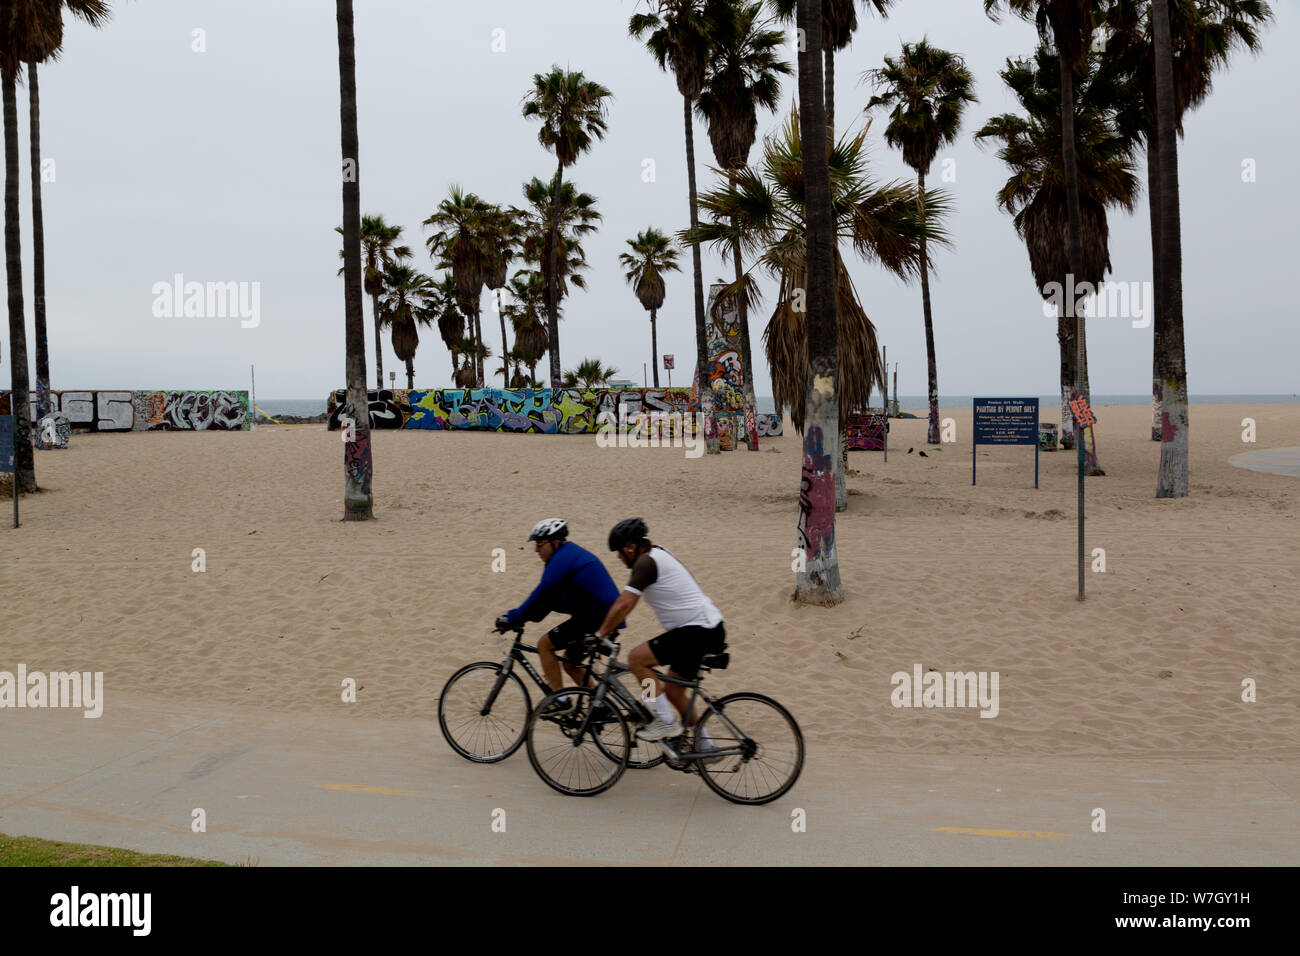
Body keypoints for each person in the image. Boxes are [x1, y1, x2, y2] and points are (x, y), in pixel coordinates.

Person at [594, 518, 726, 747]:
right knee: (674, 692)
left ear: (630, 548)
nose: (618, 557)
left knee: (637, 659)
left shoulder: (646, 564)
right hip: (707, 627)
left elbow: (624, 604)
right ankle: (704, 746)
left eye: (619, 552)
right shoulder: (657, 554)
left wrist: (601, 634)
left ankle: (664, 721)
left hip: (697, 630)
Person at [494, 519, 620, 716]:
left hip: (597, 618)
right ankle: (600, 705)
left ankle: (560, 700)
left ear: (555, 542)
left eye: (539, 544)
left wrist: (513, 618)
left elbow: (540, 594)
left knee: (545, 645)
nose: (536, 550)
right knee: (570, 663)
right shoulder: (565, 557)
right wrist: (524, 618)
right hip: (598, 616)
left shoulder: (562, 559)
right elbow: (546, 602)